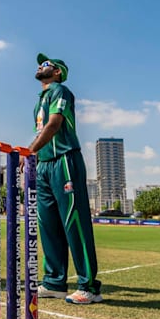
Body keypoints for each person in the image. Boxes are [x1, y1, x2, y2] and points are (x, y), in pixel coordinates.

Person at [24, 53, 102, 304]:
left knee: (73, 222)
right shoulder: (40, 100)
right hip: (45, 165)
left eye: (46, 64)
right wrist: (29, 152)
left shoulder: (61, 91)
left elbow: (54, 125)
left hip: (65, 161)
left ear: (57, 71)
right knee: (48, 225)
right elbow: (40, 132)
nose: (40, 65)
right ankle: (54, 282)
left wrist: (30, 151)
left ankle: (88, 286)